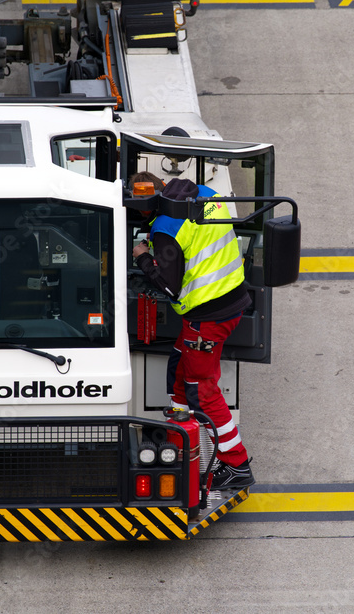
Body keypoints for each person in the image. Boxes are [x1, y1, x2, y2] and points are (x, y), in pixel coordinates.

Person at [130, 172, 254, 489]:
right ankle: (181, 441)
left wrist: (144, 258)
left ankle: (237, 466)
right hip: (233, 301)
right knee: (179, 367)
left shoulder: (165, 228)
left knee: (203, 390)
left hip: (207, 319)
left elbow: (170, 287)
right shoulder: (207, 194)